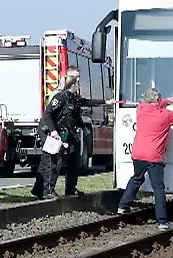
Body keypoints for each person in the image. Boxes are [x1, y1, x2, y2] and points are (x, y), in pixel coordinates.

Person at [116, 87, 173, 230]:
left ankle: (123, 206)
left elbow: (156, 103)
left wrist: (170, 100)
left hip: (137, 153)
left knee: (137, 178)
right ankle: (162, 221)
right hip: (154, 156)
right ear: (157, 100)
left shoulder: (141, 110)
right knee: (158, 188)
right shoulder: (166, 116)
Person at [34, 67, 118, 199]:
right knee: (53, 161)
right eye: (76, 78)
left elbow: (85, 102)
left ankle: (70, 188)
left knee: (74, 160)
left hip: (69, 133)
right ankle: (45, 190)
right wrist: (53, 131)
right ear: (70, 80)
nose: (79, 80)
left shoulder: (74, 97)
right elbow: (48, 114)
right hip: (57, 133)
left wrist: (105, 102)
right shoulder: (60, 96)